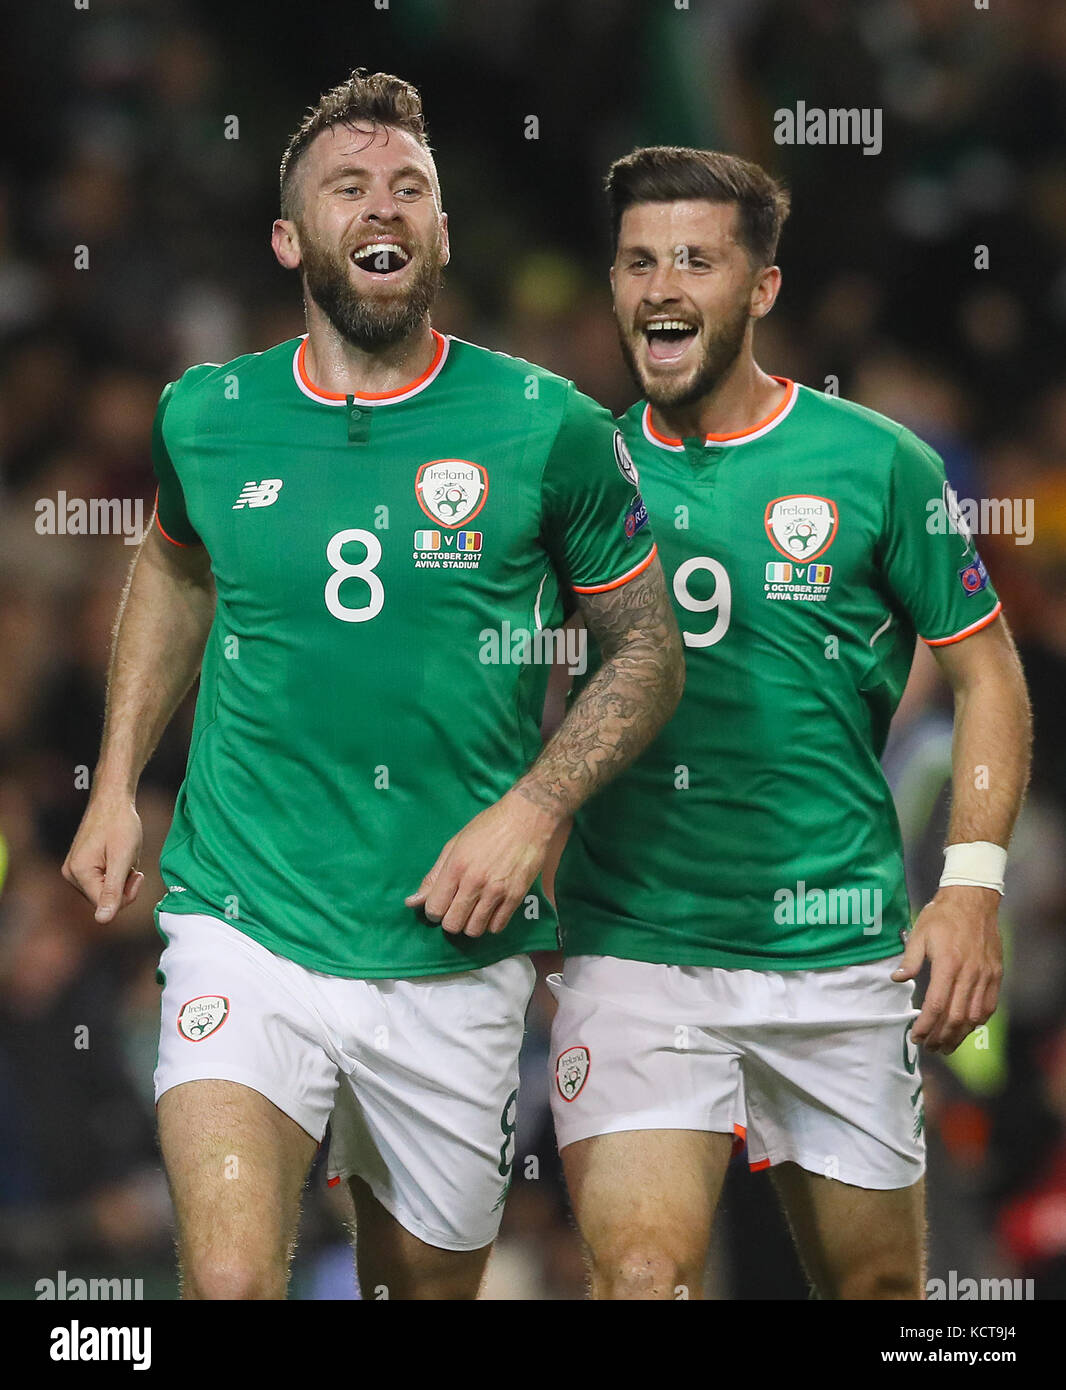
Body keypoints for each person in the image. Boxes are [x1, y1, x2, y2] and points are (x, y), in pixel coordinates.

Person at [61, 73, 683, 1301]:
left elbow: (650, 650)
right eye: (348, 188)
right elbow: (178, 575)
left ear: (444, 233)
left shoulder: (544, 425)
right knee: (233, 1282)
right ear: (293, 238)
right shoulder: (207, 413)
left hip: (448, 947)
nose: (381, 205)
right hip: (248, 916)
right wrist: (118, 778)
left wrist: (536, 807)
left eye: (410, 188)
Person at [548, 146, 1032, 1300]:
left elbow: (992, 680)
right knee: (644, 1275)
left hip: (835, 948)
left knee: (876, 1296)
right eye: (638, 261)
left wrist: (966, 890)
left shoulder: (876, 463)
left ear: (760, 289)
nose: (663, 286)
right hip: (634, 946)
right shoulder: (571, 469)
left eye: (697, 261)